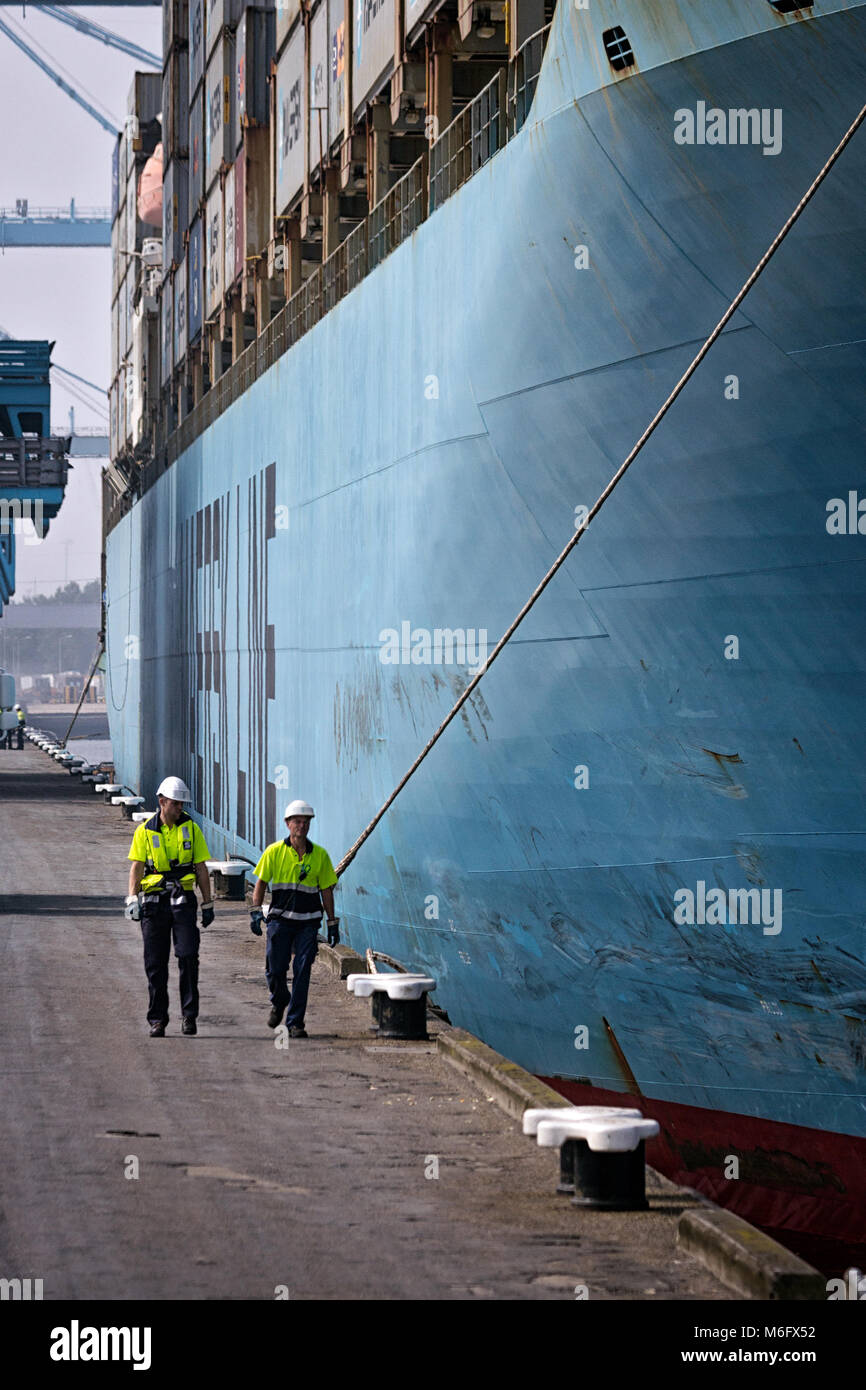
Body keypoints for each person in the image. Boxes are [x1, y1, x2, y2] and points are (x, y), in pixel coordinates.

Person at [125, 776, 215, 1037]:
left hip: (183, 901)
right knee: (155, 964)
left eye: (181, 804)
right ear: (162, 802)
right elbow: (137, 866)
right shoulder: (145, 831)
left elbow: (200, 868)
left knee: (188, 957)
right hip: (154, 904)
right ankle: (157, 1019)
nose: (180, 809)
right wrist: (132, 898)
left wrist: (207, 903)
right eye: (176, 804)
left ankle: (189, 1016)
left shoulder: (192, 828)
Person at [250, 799, 340, 1038]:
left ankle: (295, 1022)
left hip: (308, 922)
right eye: (297, 822)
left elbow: (327, 891)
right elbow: (261, 883)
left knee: (303, 969)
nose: (301, 826)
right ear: (287, 824)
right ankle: (279, 1000)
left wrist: (332, 922)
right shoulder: (274, 852)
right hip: (280, 920)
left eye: (305, 822)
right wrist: (255, 910)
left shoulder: (320, 855)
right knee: (274, 968)